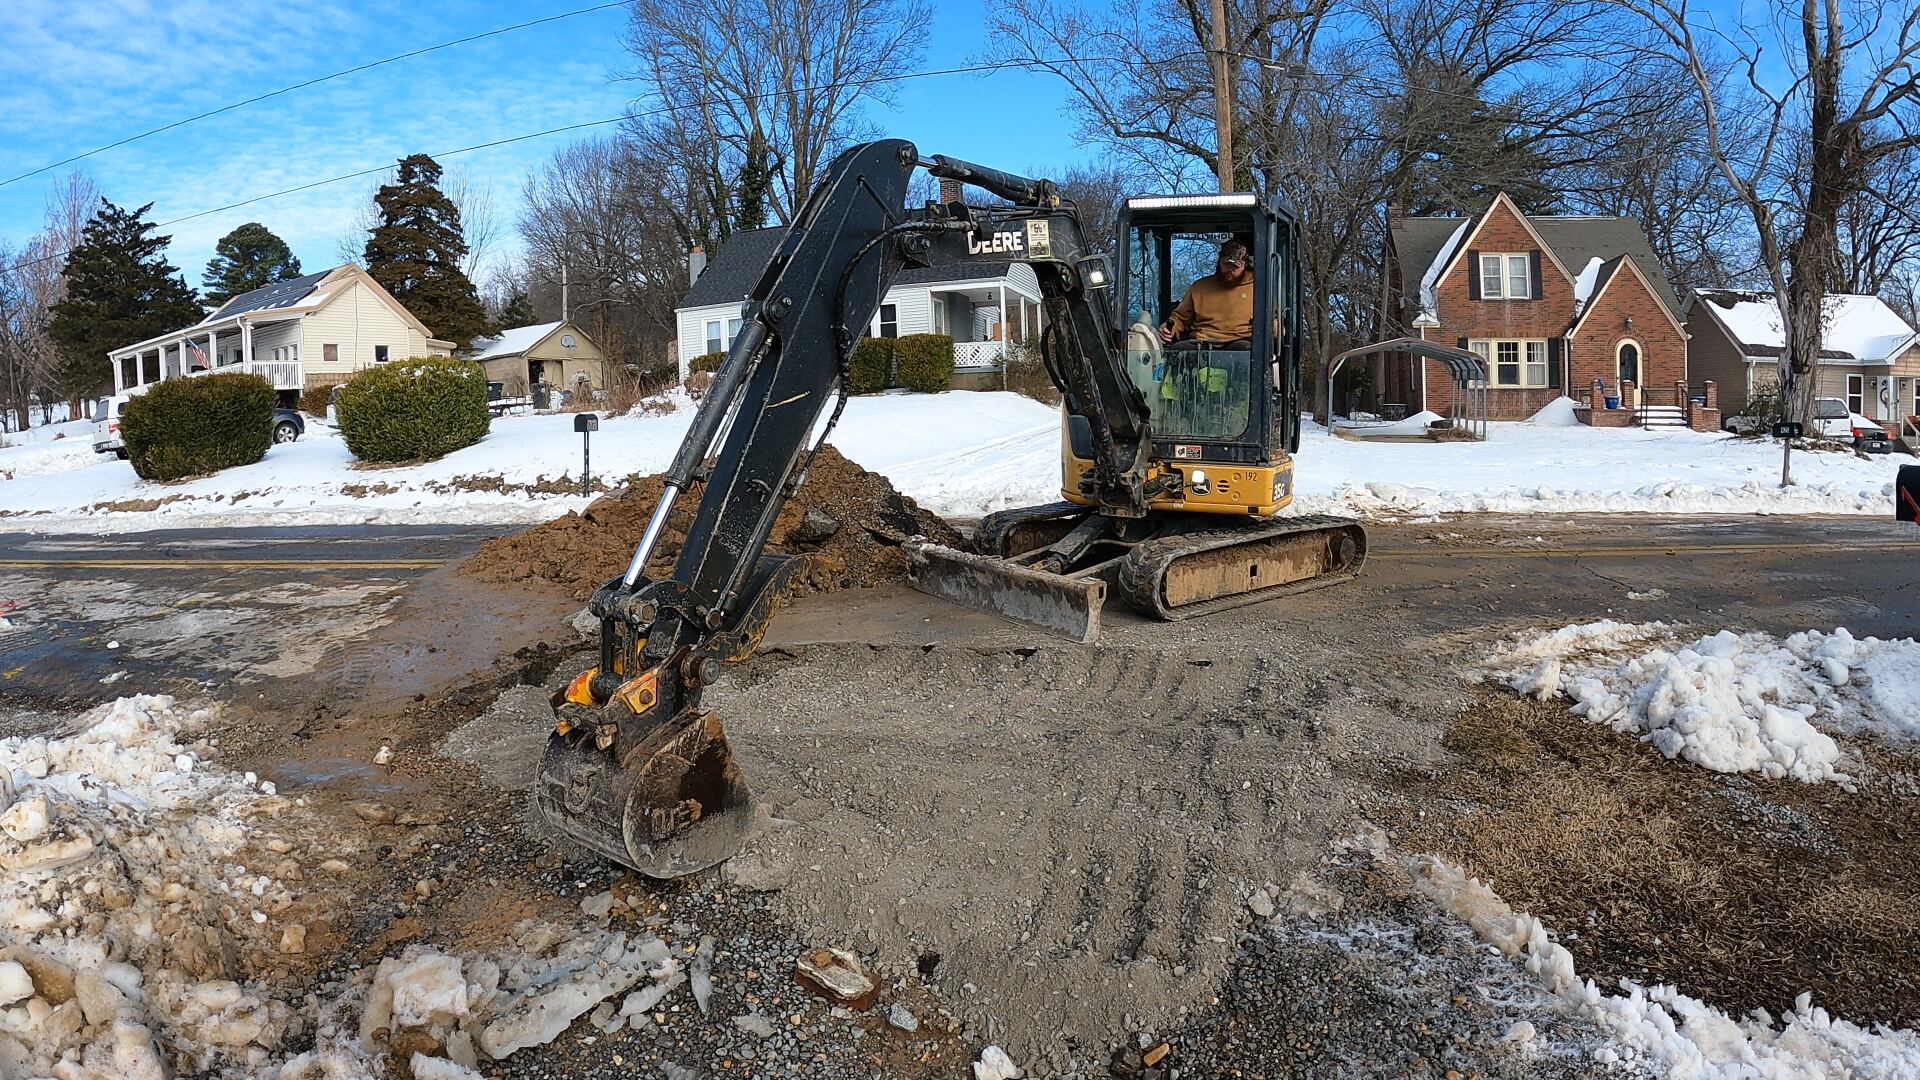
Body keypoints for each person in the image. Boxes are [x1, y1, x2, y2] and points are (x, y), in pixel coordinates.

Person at [1160, 239, 1254, 346]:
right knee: (1179, 349)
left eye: (1235, 266)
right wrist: (1169, 329)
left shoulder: (1258, 287)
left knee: (1246, 349)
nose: (1229, 270)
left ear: (1245, 265)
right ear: (1219, 262)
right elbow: (1180, 318)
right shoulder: (1199, 287)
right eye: (1226, 264)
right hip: (1203, 341)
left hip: (1241, 341)